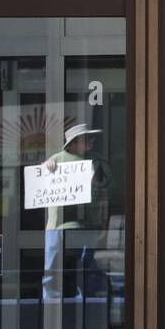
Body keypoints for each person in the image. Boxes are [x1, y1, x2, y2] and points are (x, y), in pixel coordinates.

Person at [41, 123, 111, 301]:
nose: (91, 142)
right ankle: (51, 302)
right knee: (53, 265)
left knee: (85, 265)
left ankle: (85, 300)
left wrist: (102, 221)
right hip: (58, 224)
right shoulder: (57, 158)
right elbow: (40, 177)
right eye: (86, 138)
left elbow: (102, 193)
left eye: (91, 138)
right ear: (73, 143)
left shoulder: (95, 161)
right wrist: (46, 166)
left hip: (84, 223)